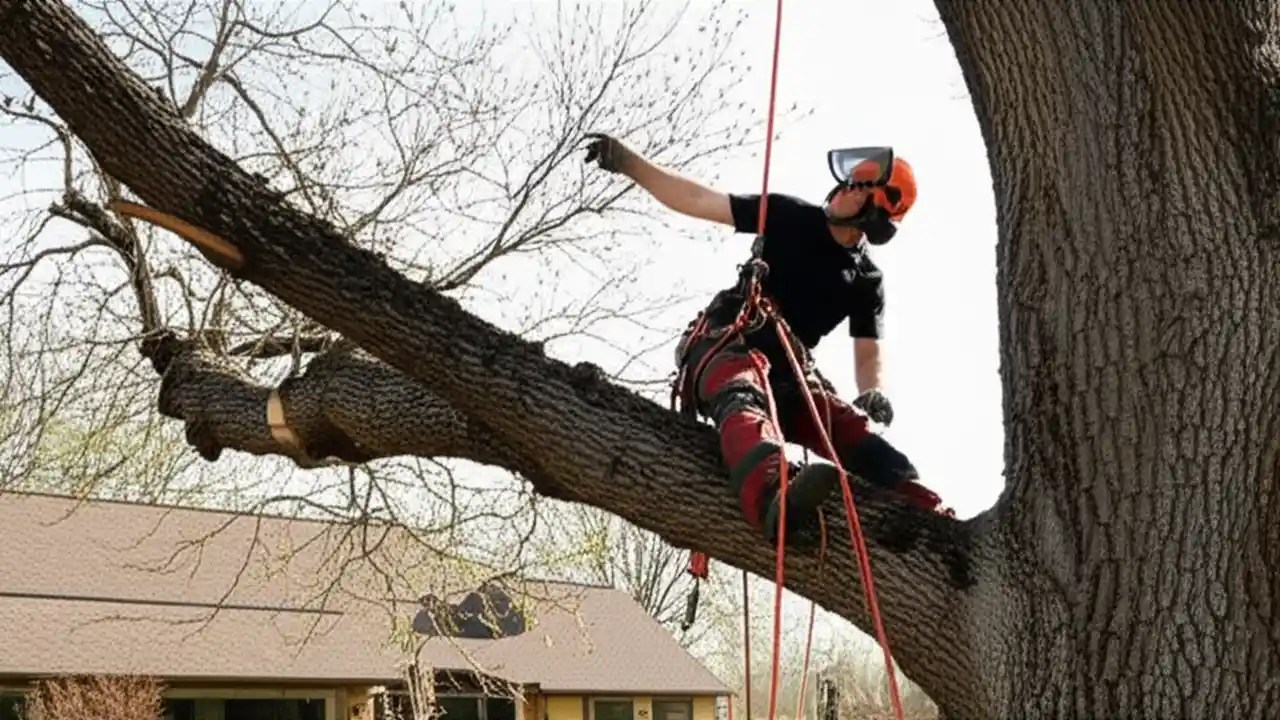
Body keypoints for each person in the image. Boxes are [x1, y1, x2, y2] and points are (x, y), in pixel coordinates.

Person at [583, 133, 951, 545]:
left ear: (873, 213)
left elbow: (868, 354)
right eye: (848, 182)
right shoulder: (789, 214)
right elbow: (700, 200)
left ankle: (930, 515)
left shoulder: (866, 279)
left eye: (857, 187)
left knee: (849, 428)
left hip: (790, 374)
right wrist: (630, 163)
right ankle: (773, 498)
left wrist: (873, 392)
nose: (843, 189)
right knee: (744, 395)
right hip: (730, 344)